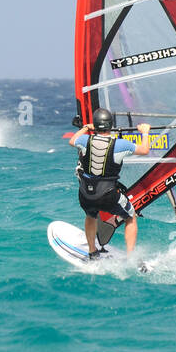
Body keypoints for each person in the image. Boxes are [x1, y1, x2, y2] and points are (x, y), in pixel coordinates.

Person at [69, 107, 151, 257]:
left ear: (95, 124)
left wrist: (86, 128)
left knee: (90, 215)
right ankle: (131, 257)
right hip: (108, 195)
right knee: (130, 217)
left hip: (86, 194)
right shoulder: (120, 144)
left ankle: (92, 252)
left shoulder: (84, 140)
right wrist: (145, 132)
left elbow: (72, 140)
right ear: (110, 125)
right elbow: (145, 150)